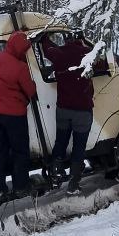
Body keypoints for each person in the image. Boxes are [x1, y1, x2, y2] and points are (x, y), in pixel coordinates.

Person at [40, 31, 95, 193]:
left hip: (63, 109)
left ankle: (56, 175)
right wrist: (86, 43)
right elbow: (102, 61)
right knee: (79, 147)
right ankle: (73, 183)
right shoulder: (87, 54)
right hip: (83, 111)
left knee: (60, 142)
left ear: (66, 40)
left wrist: (44, 39)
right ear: (80, 40)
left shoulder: (59, 54)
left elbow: (47, 50)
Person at [0, 30, 37, 200]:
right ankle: (21, 186)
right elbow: (30, 90)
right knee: (20, 151)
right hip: (15, 116)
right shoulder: (20, 68)